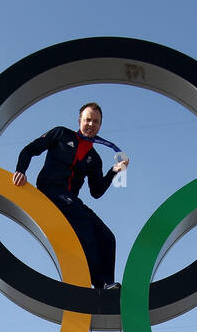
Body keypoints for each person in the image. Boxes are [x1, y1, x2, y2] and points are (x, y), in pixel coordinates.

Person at [12, 102, 129, 290]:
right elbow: (30, 149)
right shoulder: (60, 133)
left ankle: (107, 285)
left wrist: (114, 171)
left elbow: (96, 191)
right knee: (83, 226)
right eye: (87, 120)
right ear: (79, 120)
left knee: (107, 237)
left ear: (100, 125)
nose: (91, 124)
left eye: (96, 122)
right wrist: (21, 170)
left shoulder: (94, 158)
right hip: (49, 192)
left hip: (70, 200)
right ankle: (97, 282)